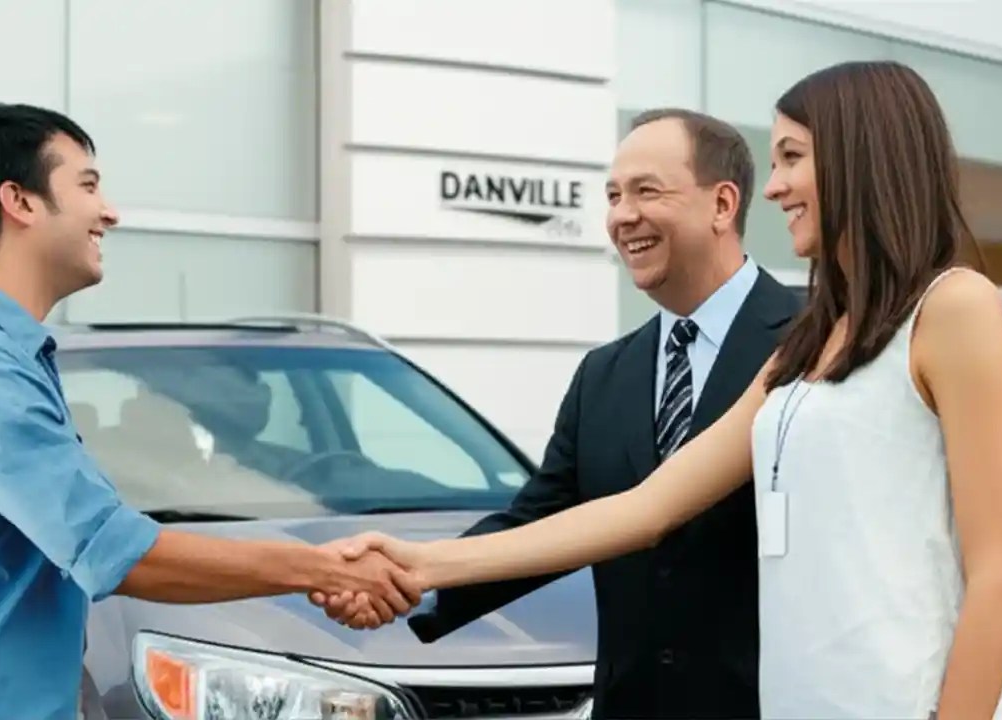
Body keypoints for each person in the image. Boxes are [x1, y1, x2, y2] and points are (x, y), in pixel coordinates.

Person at [326, 60, 1002, 720]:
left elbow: (997, 576)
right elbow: (643, 510)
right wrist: (419, 562)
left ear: (859, 153)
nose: (775, 186)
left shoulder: (954, 307)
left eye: (791, 157)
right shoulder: (813, 339)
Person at [0, 103, 419, 720]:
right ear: (20, 201)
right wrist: (324, 569)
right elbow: (116, 550)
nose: (109, 212)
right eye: (88, 185)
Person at [318, 109, 802, 718]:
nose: (623, 216)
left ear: (723, 205)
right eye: (613, 195)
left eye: (646, 191)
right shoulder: (604, 375)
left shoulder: (816, 342)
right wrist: (407, 587)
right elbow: (536, 524)